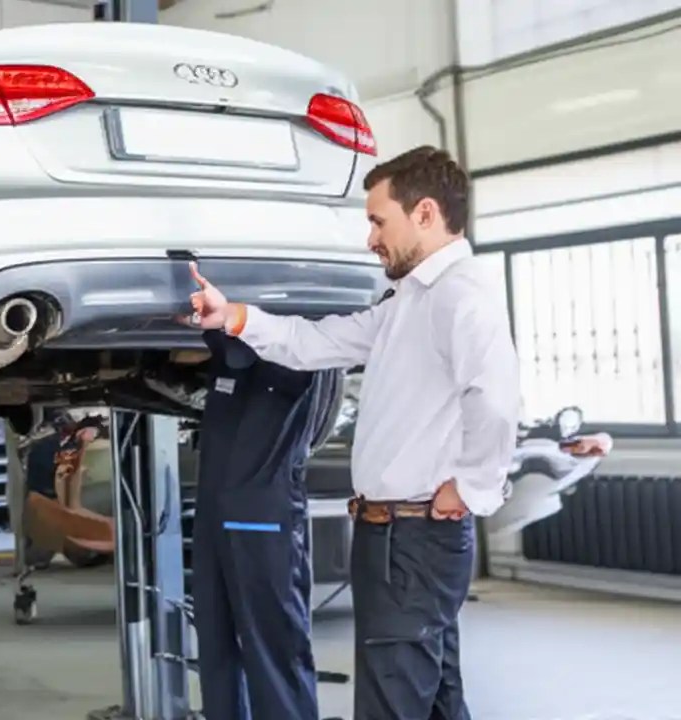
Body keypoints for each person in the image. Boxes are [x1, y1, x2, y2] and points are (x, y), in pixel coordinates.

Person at [187, 145, 521, 720]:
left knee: (391, 700)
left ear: (424, 214)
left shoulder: (460, 295)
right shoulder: (410, 300)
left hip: (414, 535)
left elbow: (495, 397)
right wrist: (236, 316)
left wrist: (472, 487)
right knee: (434, 695)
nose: (370, 239)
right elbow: (319, 343)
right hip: (396, 533)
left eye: (377, 221)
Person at [191, 327, 339, 719]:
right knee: (215, 642)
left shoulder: (297, 358)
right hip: (214, 514)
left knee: (272, 649)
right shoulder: (230, 357)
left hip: (261, 516)